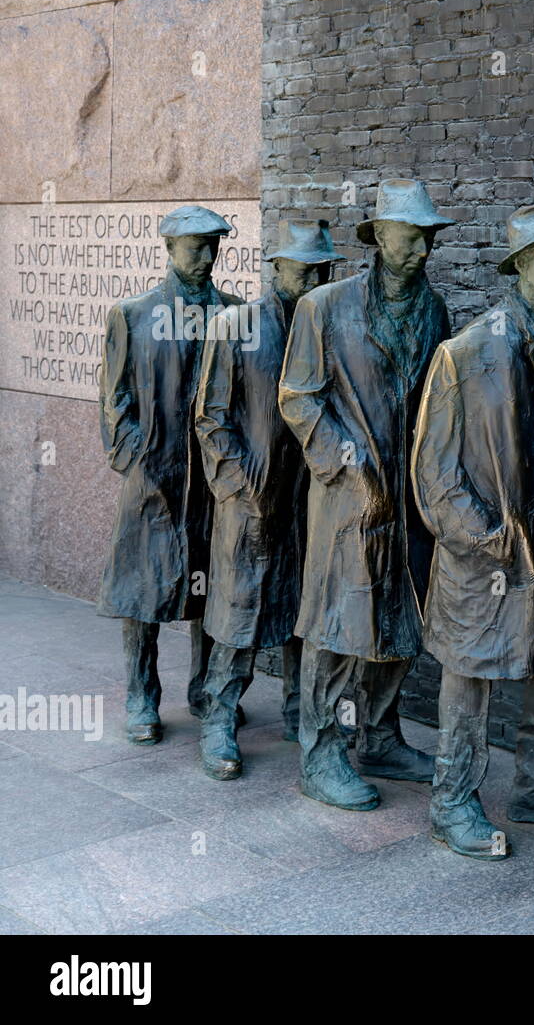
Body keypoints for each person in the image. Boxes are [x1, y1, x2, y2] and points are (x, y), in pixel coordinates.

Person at [411, 203, 534, 859]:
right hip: (483, 553)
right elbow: (433, 468)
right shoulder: (466, 352)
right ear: (519, 265)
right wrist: (479, 536)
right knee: (470, 672)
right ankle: (451, 798)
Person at [278, 180, 451, 810]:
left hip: (410, 498)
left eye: (430, 236)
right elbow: (299, 398)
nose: (423, 247)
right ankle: (321, 754)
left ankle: (380, 735)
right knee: (339, 620)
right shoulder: (324, 306)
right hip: (346, 497)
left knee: (401, 616)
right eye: (412, 235)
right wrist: (350, 468)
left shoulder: (434, 309)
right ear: (378, 236)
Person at [193, 220, 346, 779]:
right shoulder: (236, 326)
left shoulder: (330, 328)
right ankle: (219, 715)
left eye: (321, 270)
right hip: (249, 498)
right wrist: (237, 487)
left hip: (311, 497)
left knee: (305, 608)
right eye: (301, 269)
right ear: (276, 267)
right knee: (239, 611)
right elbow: (211, 418)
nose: (311, 280)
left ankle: (299, 711)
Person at [98, 205, 243, 745]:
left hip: (212, 482)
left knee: (211, 587)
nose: (206, 258)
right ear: (168, 248)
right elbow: (114, 402)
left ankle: (206, 688)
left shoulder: (233, 315)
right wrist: (137, 459)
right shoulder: (133, 315)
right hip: (153, 480)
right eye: (195, 247)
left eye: (213, 247)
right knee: (144, 591)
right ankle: (141, 692)